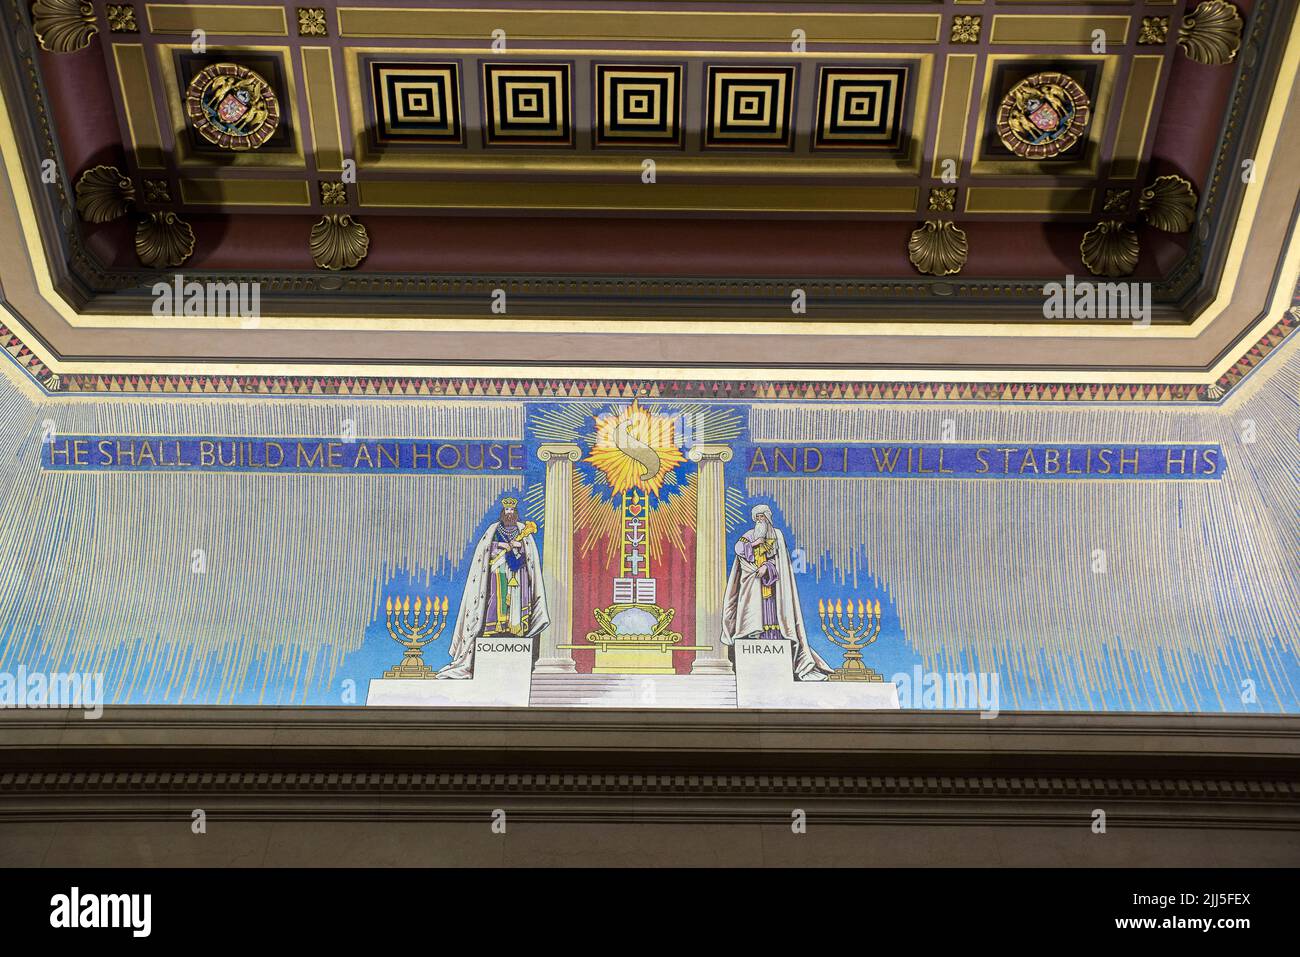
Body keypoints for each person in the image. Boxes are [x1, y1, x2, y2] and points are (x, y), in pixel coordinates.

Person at [439, 498, 548, 679]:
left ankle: (515, 629)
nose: (509, 513)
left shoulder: (523, 530)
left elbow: (530, 556)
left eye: (512, 511)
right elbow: (485, 551)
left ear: (516, 513)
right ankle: (494, 629)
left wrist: (518, 547)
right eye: (507, 511)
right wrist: (501, 546)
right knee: (496, 600)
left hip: (518, 575)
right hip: (497, 573)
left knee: (516, 601)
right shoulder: (493, 530)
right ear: (503, 513)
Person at [720, 504, 830, 680]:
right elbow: (740, 551)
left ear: (768, 518)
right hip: (753, 588)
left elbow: (781, 563)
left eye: (762, 517)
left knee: (775, 616)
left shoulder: (777, 535)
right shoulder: (749, 535)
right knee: (755, 617)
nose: (759, 520)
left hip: (774, 589)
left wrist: (767, 567)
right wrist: (755, 547)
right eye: (757, 518)